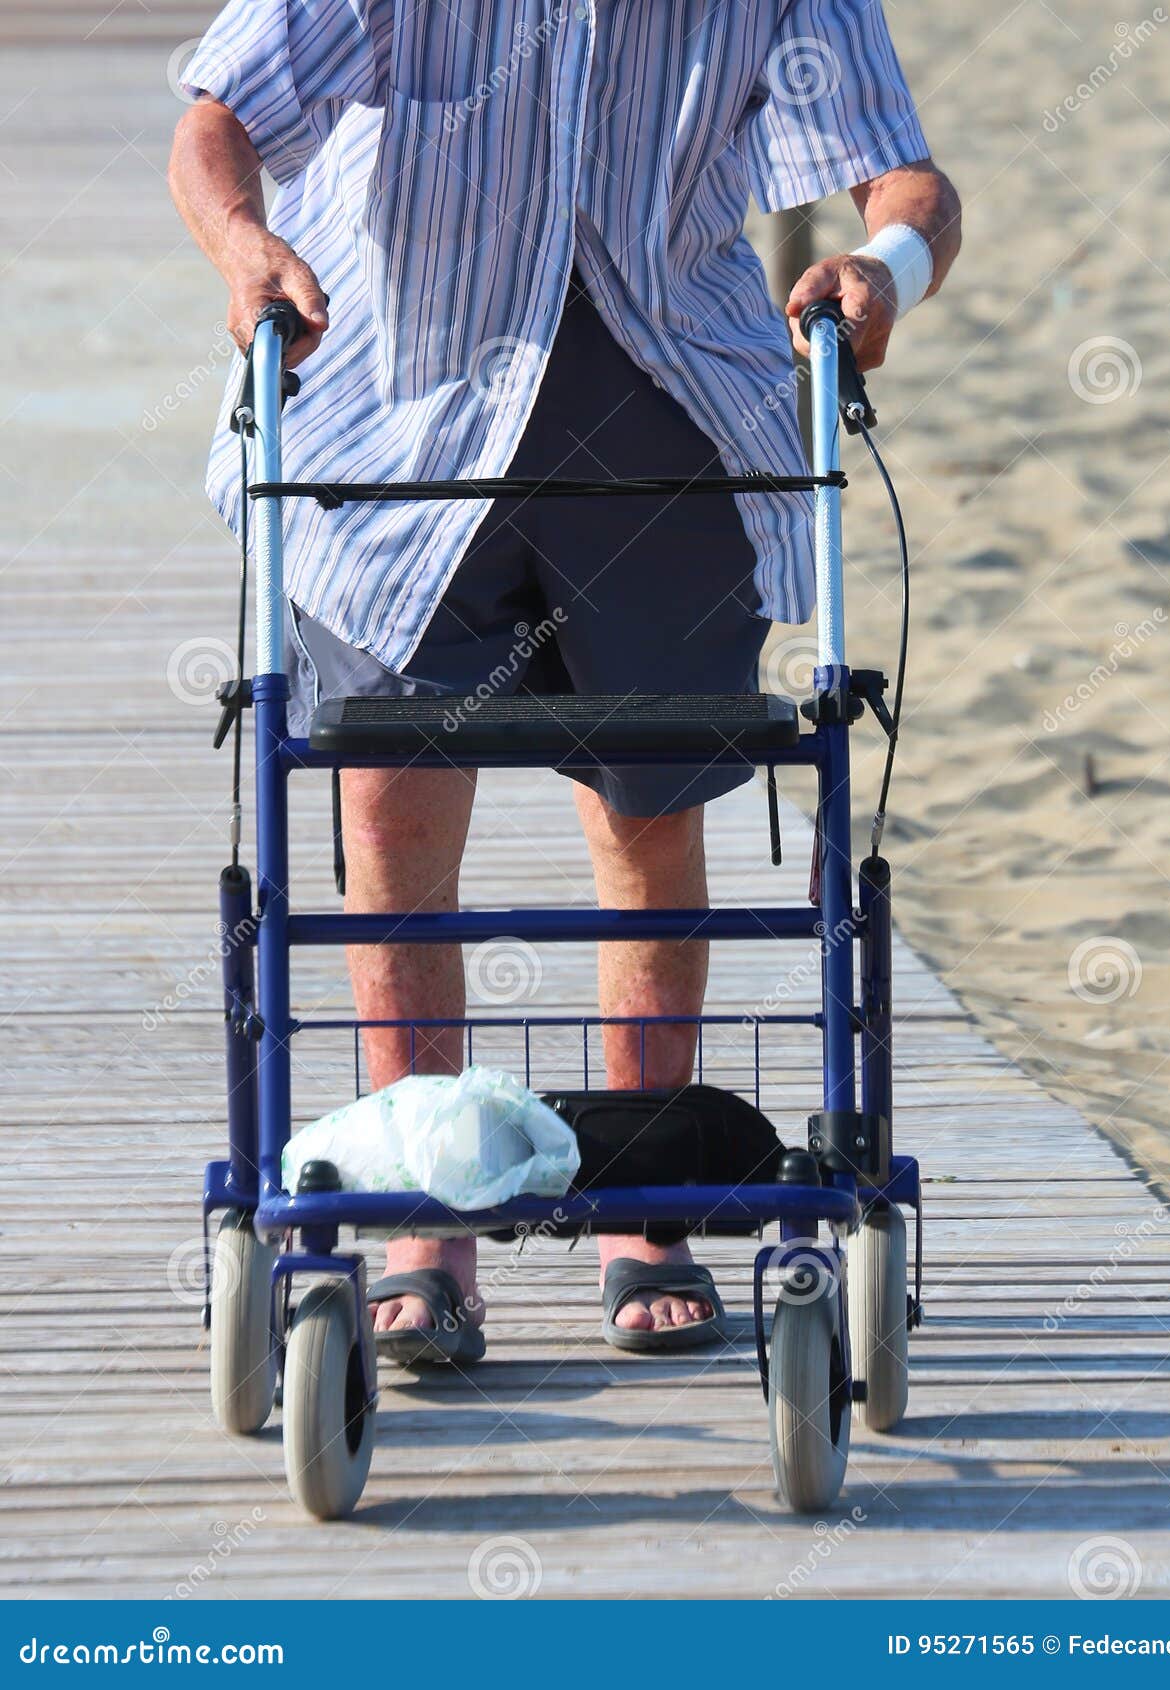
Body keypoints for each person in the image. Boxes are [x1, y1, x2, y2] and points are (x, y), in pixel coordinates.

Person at [170, 0, 960, 1359]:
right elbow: (215, 118)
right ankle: (427, 1219)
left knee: (649, 811)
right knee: (387, 812)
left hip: (671, 415)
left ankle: (642, 1210)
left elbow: (906, 179)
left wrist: (878, 266)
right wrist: (244, 247)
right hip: (399, 420)